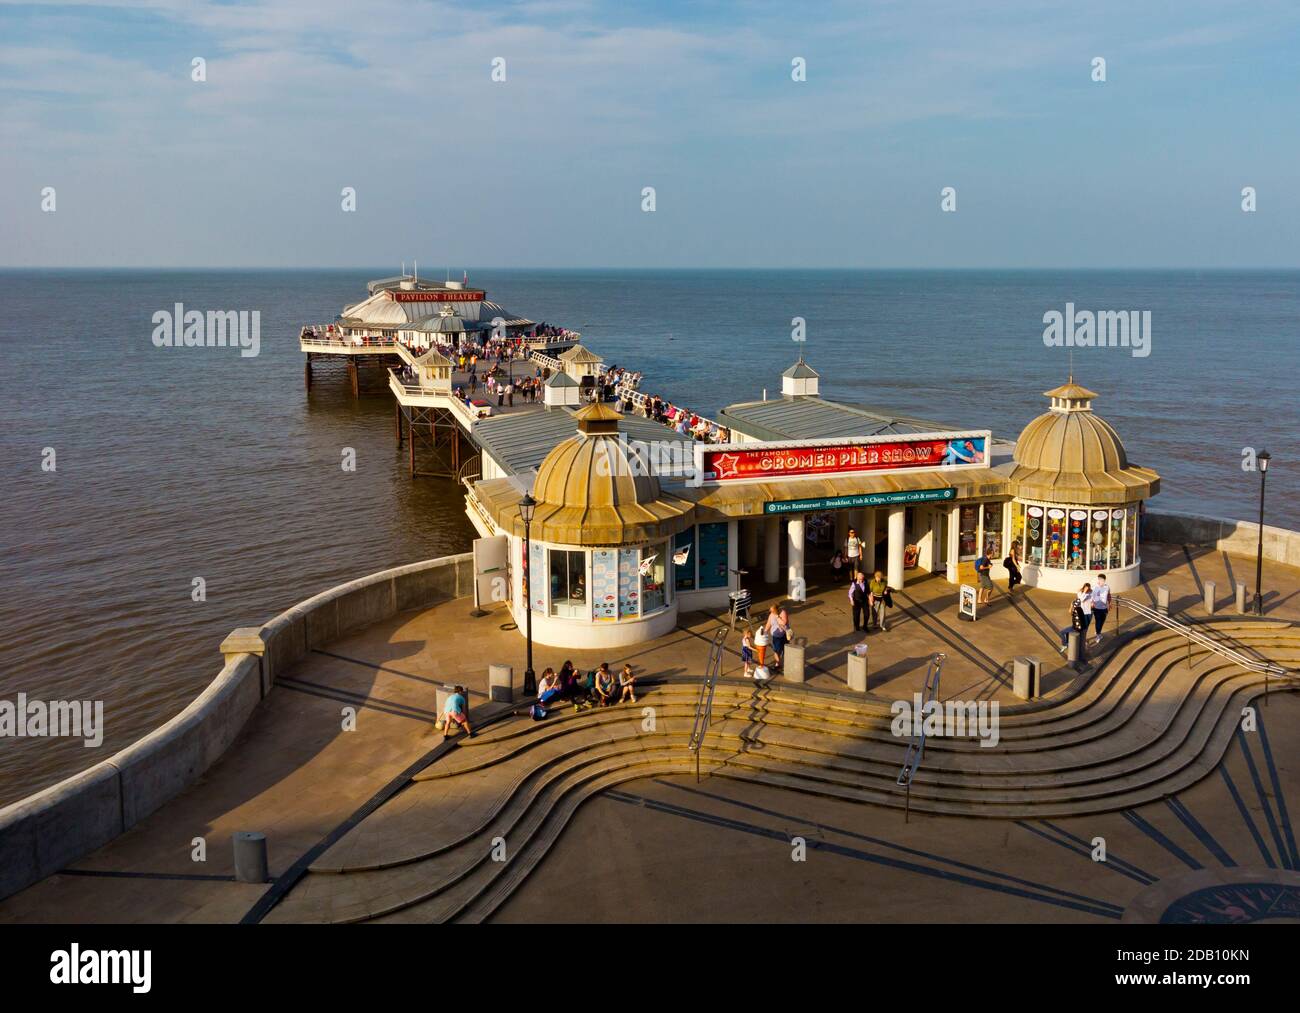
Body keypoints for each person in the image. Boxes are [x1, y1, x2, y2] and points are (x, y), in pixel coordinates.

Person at [1059, 586, 1091, 654]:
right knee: (1068, 633)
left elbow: (1070, 612)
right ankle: (1069, 643)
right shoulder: (1080, 607)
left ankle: (1065, 645)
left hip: (1076, 628)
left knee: (1062, 632)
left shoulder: (1076, 608)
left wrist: (1071, 606)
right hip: (1080, 627)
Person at [1091, 574, 1110, 644]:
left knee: (1102, 621)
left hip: (1104, 608)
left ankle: (1098, 631)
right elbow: (1091, 596)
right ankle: (1098, 635)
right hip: (1096, 608)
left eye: (1101, 579)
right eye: (1099, 579)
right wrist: (1092, 603)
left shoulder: (1107, 587)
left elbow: (1108, 596)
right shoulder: (1094, 587)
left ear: (1104, 580)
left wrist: (1109, 604)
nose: (1100, 580)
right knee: (1098, 621)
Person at [765, 605, 786, 669]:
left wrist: (777, 616)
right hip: (775, 636)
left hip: (783, 634)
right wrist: (765, 631)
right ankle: (778, 664)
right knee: (776, 650)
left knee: (784, 649)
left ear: (776, 610)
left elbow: (784, 623)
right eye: (771, 611)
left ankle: (783, 662)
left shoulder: (783, 613)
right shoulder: (771, 615)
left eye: (773, 611)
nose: (771, 612)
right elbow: (768, 624)